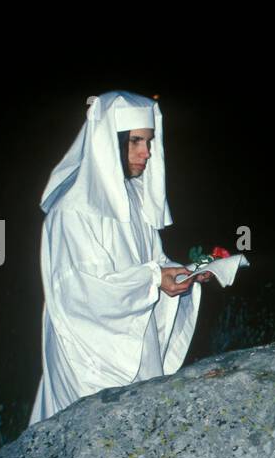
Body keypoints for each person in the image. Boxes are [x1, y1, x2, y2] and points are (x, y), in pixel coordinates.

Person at [30, 91, 220, 425]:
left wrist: (186, 273)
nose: (146, 153)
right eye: (135, 142)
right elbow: (80, 291)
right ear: (107, 141)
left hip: (136, 338)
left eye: (149, 142)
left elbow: (152, 260)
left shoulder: (132, 197)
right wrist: (152, 280)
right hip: (86, 356)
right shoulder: (71, 210)